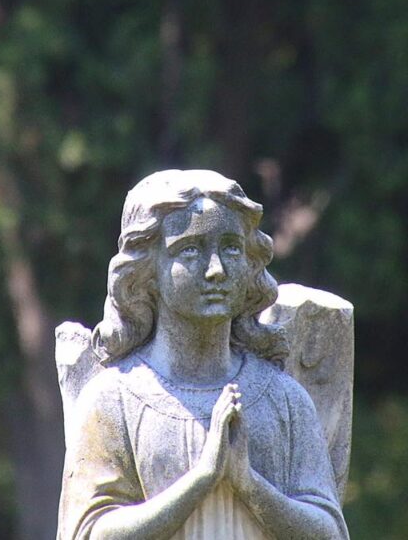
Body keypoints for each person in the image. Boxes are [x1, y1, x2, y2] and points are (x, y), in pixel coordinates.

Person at [57, 170, 349, 539]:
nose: (216, 270)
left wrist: (248, 484)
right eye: (191, 249)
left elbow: (330, 532)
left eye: (231, 248)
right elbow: (88, 532)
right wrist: (203, 478)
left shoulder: (284, 399)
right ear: (147, 271)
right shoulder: (114, 400)